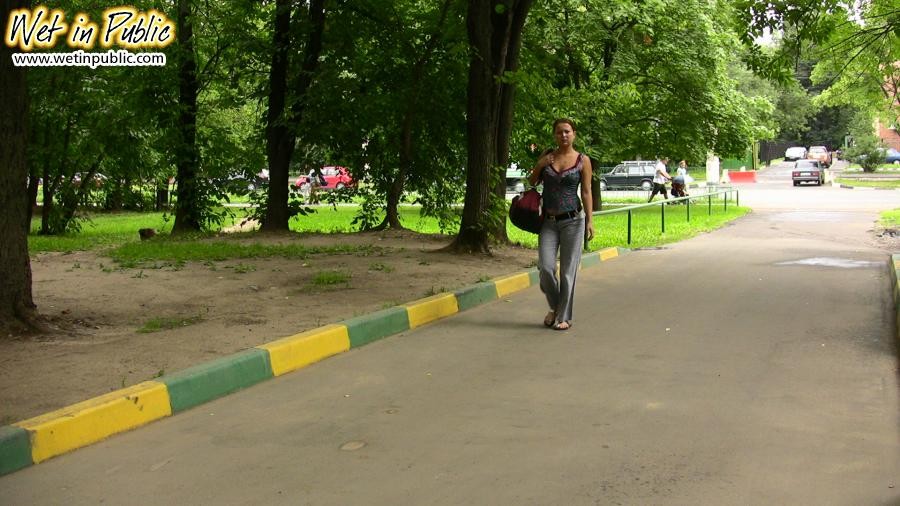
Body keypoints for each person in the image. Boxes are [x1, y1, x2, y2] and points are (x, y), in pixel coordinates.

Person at [527, 118, 594, 331]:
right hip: (548, 221)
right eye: (559, 132)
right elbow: (532, 182)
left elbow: (586, 191)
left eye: (567, 131)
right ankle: (556, 308)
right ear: (555, 135)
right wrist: (540, 164)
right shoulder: (548, 157)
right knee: (546, 268)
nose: (563, 135)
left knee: (567, 271)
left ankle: (563, 317)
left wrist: (590, 221)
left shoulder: (583, 160)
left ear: (574, 134)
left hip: (573, 221)